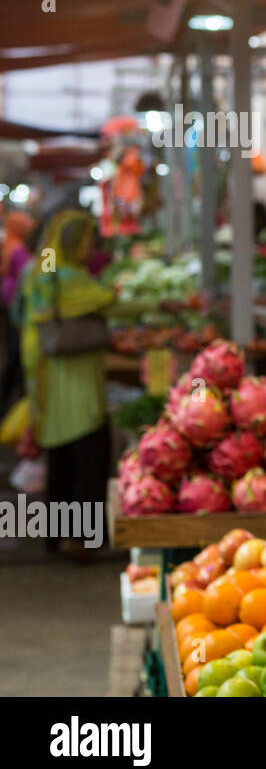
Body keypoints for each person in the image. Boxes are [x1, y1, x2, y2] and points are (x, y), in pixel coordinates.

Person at [21, 209, 114, 559]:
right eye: (90, 240)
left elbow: (41, 289)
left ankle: (56, 535)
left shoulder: (45, 264)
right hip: (71, 369)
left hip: (44, 363)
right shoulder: (72, 276)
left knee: (59, 452)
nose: (93, 248)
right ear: (76, 241)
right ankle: (81, 538)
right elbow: (107, 298)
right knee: (88, 449)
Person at [0, 209, 36, 412]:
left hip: (13, 302)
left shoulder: (11, 243)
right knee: (15, 356)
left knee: (12, 356)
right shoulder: (19, 248)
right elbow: (32, 272)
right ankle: (11, 404)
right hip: (18, 305)